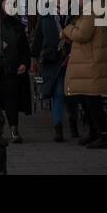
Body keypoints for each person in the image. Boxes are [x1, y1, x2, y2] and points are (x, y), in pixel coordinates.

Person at [62, 13, 107, 148]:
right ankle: (94, 132)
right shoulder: (86, 13)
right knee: (86, 100)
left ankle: (104, 135)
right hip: (87, 64)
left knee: (93, 101)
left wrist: (67, 29)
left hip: (91, 63)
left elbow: (82, 35)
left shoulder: (91, 13)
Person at [30, 12, 77, 141]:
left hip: (71, 59)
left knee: (71, 94)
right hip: (52, 60)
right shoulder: (45, 16)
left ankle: (73, 122)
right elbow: (38, 36)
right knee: (58, 93)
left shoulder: (73, 14)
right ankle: (58, 127)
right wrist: (33, 57)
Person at [0, 10, 32, 143]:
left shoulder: (17, 25)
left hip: (12, 68)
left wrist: (24, 62)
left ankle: (14, 128)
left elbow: (24, 47)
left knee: (11, 99)